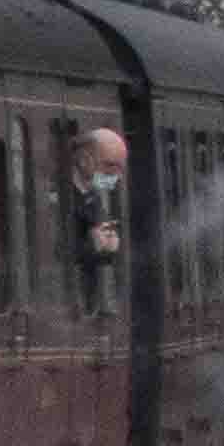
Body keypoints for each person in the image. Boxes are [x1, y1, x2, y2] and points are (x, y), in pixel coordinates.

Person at [68, 125, 131, 310]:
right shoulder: (63, 198)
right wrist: (93, 246)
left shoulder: (93, 198)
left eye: (120, 167)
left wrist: (108, 249)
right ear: (83, 160)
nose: (117, 175)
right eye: (110, 165)